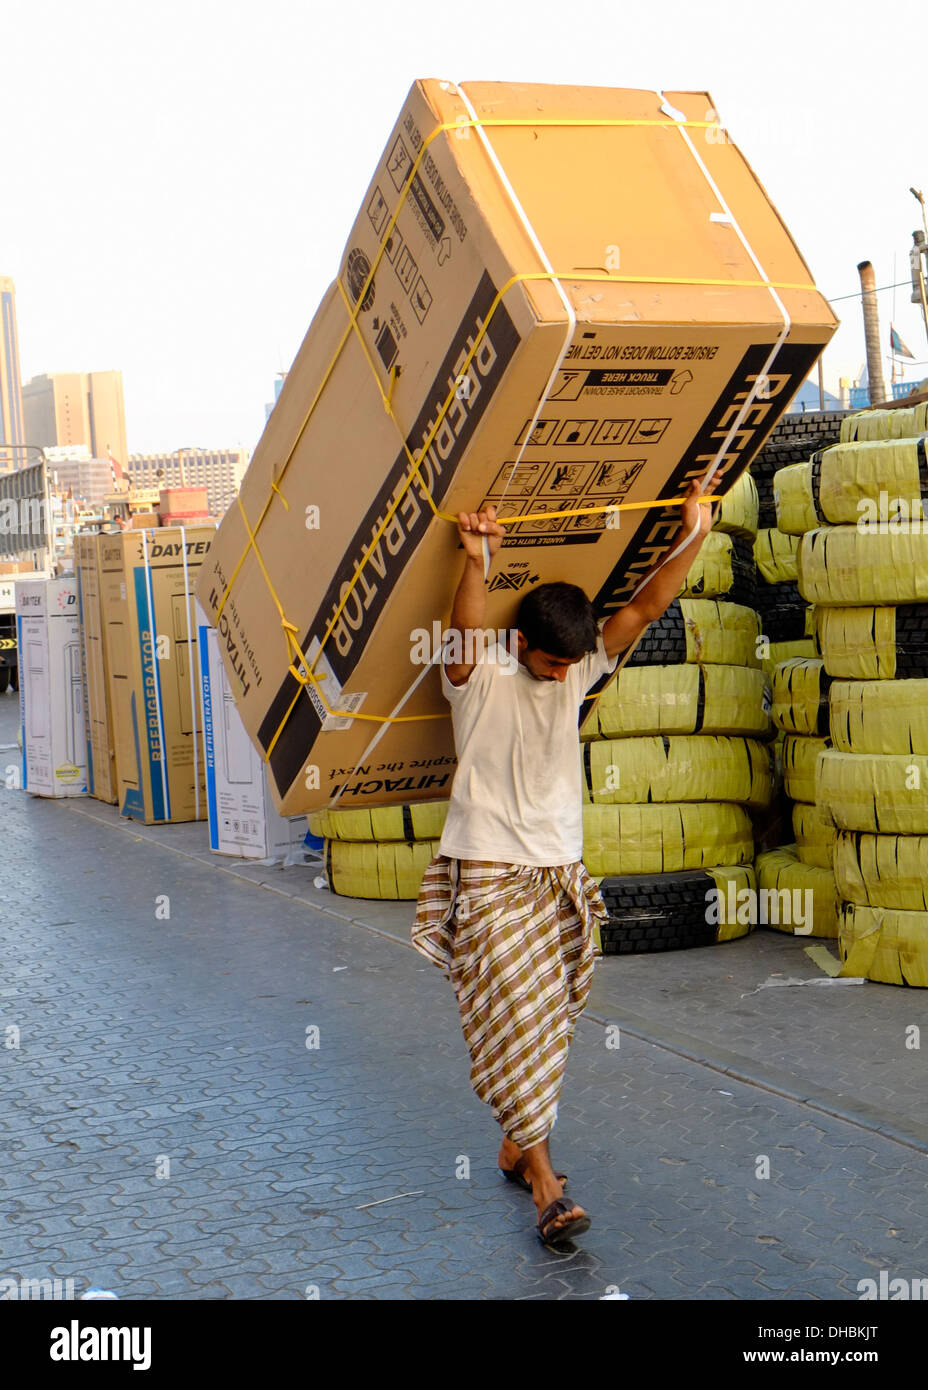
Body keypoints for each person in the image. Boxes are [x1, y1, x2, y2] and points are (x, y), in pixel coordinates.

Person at [412, 477, 714, 1246]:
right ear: (521, 646)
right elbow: (462, 631)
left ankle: (519, 1146)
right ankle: (547, 1188)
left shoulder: (575, 667)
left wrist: (695, 531)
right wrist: (476, 560)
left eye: (567, 666)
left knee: (548, 1022)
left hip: (559, 872)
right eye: (548, 664)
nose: (559, 679)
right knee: (516, 1014)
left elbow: (644, 608)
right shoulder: (476, 679)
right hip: (486, 870)